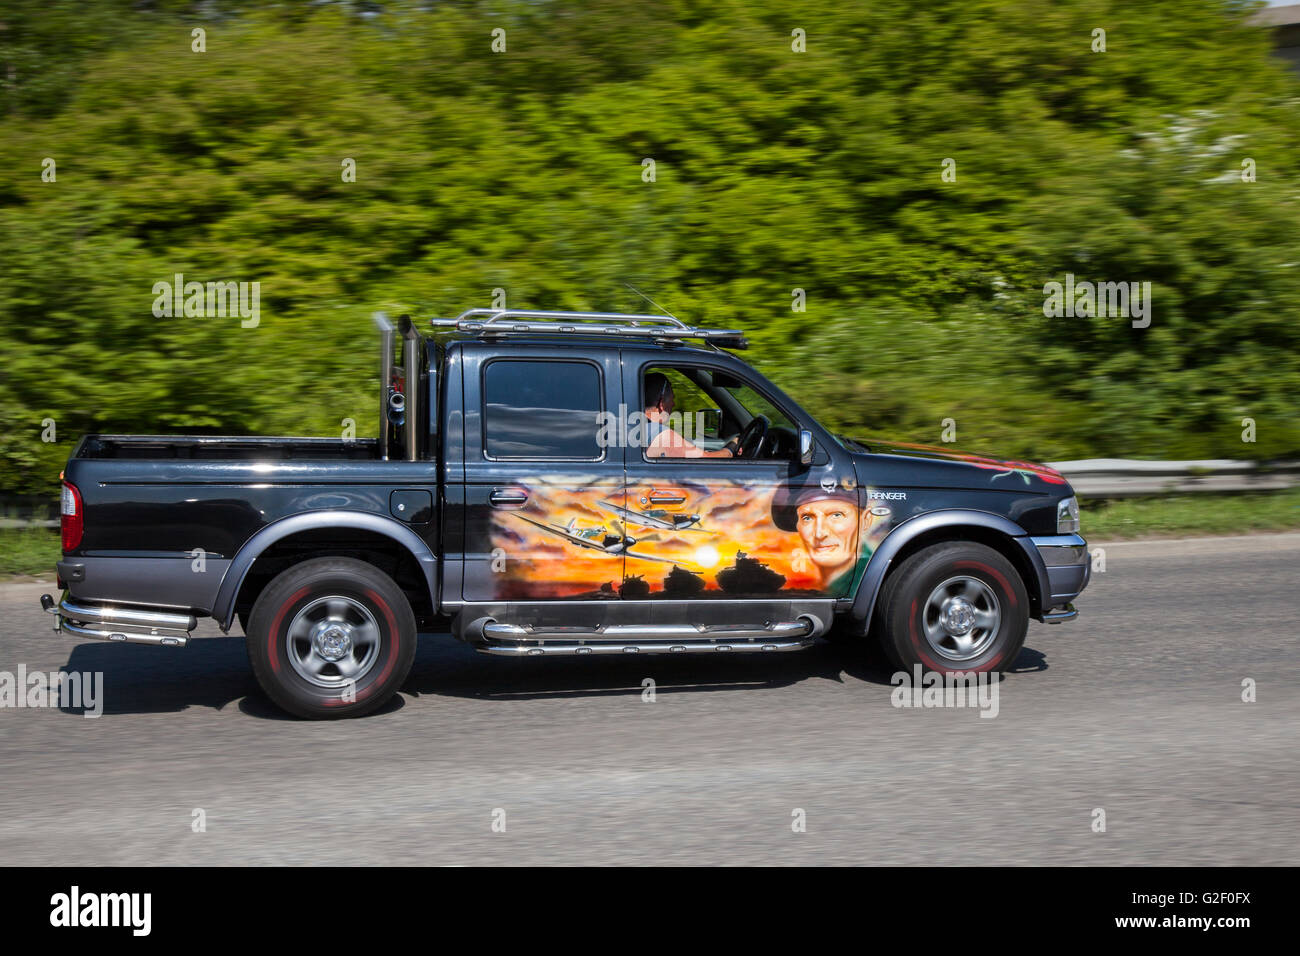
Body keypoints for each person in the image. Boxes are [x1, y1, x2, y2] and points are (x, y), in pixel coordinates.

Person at [641, 372, 737, 458]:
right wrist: (733, 446)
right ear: (661, 403)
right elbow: (707, 462)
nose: (673, 404)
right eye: (672, 399)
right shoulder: (660, 435)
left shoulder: (638, 427)